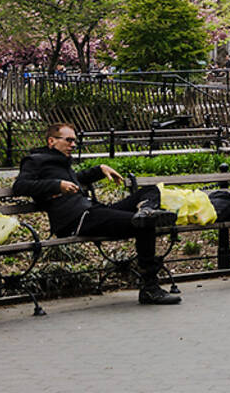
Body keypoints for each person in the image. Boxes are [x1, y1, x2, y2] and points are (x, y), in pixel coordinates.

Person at [13, 122, 182, 305]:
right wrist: (56, 186)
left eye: (75, 141)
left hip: (92, 211)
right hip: (77, 220)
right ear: (51, 141)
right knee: (146, 223)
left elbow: (76, 180)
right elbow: (20, 186)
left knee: (150, 190)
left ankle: (146, 210)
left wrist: (100, 169)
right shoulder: (35, 160)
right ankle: (150, 289)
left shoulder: (61, 163)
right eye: (69, 140)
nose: (73, 145)